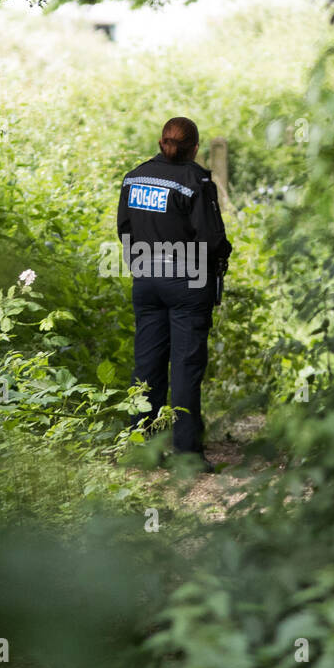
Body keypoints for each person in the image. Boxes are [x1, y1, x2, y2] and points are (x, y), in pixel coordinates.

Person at [117, 117, 232, 471]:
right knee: (185, 367)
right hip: (186, 282)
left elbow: (124, 229)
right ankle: (186, 456)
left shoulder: (134, 177)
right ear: (194, 147)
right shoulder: (196, 180)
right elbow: (210, 240)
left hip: (146, 281)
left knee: (147, 365)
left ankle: (143, 450)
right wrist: (221, 256)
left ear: (160, 141)